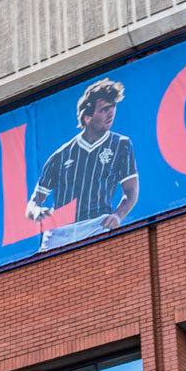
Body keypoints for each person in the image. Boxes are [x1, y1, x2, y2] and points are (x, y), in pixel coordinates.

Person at [24, 77, 140, 251]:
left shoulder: (121, 145)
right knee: (46, 268)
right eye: (104, 109)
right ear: (87, 117)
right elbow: (33, 203)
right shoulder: (60, 155)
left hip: (96, 224)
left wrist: (117, 216)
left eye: (113, 107)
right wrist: (37, 212)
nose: (111, 113)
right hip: (59, 232)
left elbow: (131, 192)